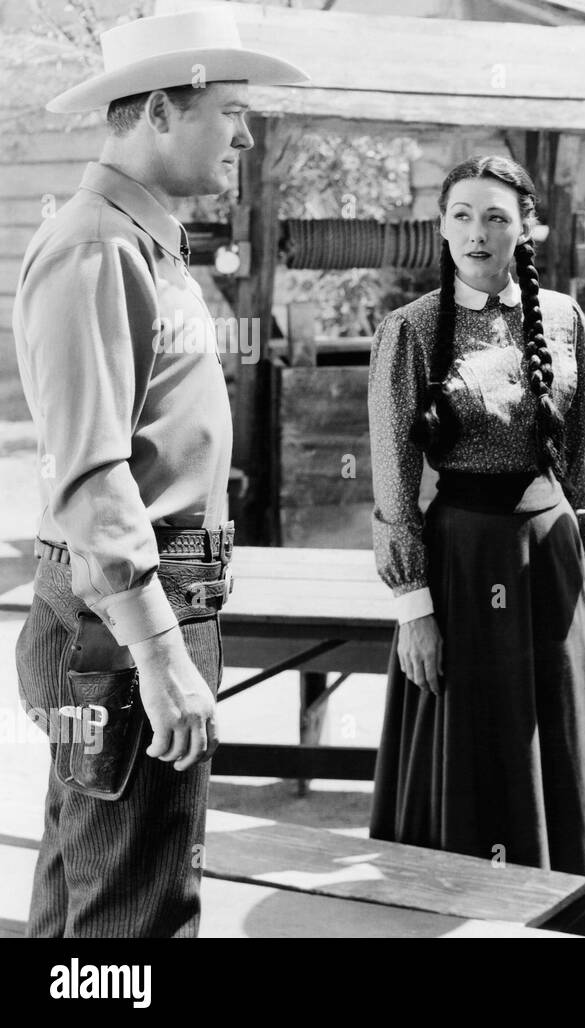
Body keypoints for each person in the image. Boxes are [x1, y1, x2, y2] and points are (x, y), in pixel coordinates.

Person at [12, 8, 306, 937]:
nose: (246, 134)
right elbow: (95, 477)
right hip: (129, 621)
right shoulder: (98, 245)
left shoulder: (141, 240)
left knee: (90, 890)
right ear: (160, 113)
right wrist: (159, 650)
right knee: (134, 909)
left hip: (134, 611)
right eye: (230, 111)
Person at [367, 154, 585, 938]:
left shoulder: (563, 318)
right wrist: (413, 608)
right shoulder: (413, 330)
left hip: (548, 561)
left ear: (525, 227)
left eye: (494, 215)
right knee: (474, 747)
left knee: (557, 742)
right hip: (460, 566)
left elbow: (580, 460)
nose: (476, 232)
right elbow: (392, 482)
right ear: (442, 227)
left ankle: (574, 915)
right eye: (460, 215)